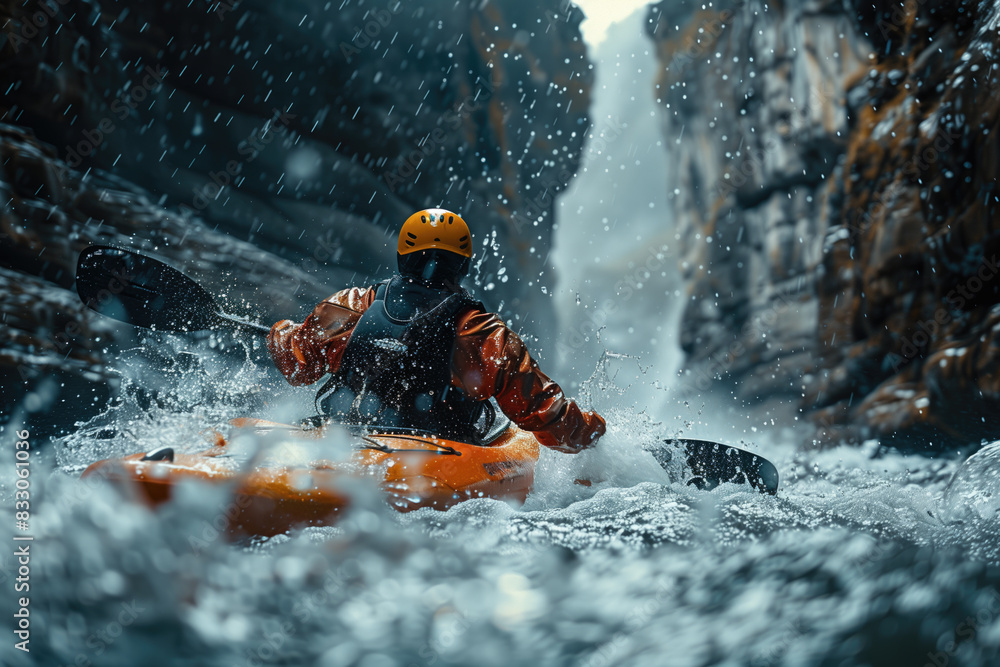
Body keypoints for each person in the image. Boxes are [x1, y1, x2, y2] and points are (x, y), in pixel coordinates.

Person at [267, 208, 606, 454]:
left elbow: (296, 363)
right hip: (433, 458)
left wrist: (280, 331)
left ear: (403, 258)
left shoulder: (352, 305)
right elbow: (545, 414)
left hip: (342, 446)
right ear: (462, 266)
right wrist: (597, 434)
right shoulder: (481, 332)